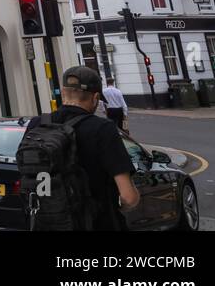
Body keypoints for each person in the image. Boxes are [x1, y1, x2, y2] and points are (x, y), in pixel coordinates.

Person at [27, 65, 140, 230]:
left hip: (48, 222)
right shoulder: (103, 129)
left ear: (63, 92)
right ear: (95, 98)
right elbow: (129, 197)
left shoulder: (37, 124)